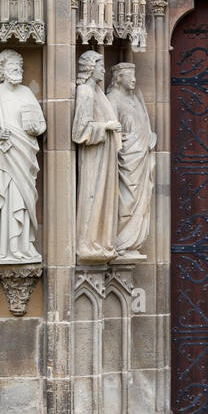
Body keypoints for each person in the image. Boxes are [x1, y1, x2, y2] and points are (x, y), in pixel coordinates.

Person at [0, 50, 45, 264]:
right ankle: (4, 247)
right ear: (2, 70)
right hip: (4, 157)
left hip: (24, 156)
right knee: (6, 198)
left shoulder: (27, 93)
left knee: (24, 201)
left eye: (20, 66)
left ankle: (24, 245)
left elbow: (41, 124)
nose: (18, 69)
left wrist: (36, 128)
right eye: (12, 66)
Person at [72, 50, 121, 264]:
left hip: (106, 154)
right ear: (90, 67)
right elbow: (79, 131)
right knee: (92, 196)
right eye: (100, 65)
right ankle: (87, 242)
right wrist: (106, 127)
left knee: (104, 198)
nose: (103, 69)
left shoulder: (97, 92)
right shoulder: (85, 92)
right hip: (94, 155)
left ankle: (101, 241)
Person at [106, 63, 156, 263]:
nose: (134, 79)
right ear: (118, 78)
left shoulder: (136, 99)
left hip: (141, 157)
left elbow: (142, 125)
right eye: (129, 75)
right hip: (127, 159)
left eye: (135, 75)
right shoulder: (112, 99)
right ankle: (120, 242)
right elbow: (112, 132)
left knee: (141, 199)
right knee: (126, 199)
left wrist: (149, 137)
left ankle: (132, 242)